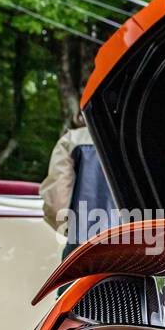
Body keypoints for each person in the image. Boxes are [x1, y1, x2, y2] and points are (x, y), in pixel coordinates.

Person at [39, 111, 116, 259]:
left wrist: (71, 230)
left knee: (77, 282)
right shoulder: (139, 140)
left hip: (82, 244)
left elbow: (56, 203)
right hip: (134, 246)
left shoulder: (72, 140)